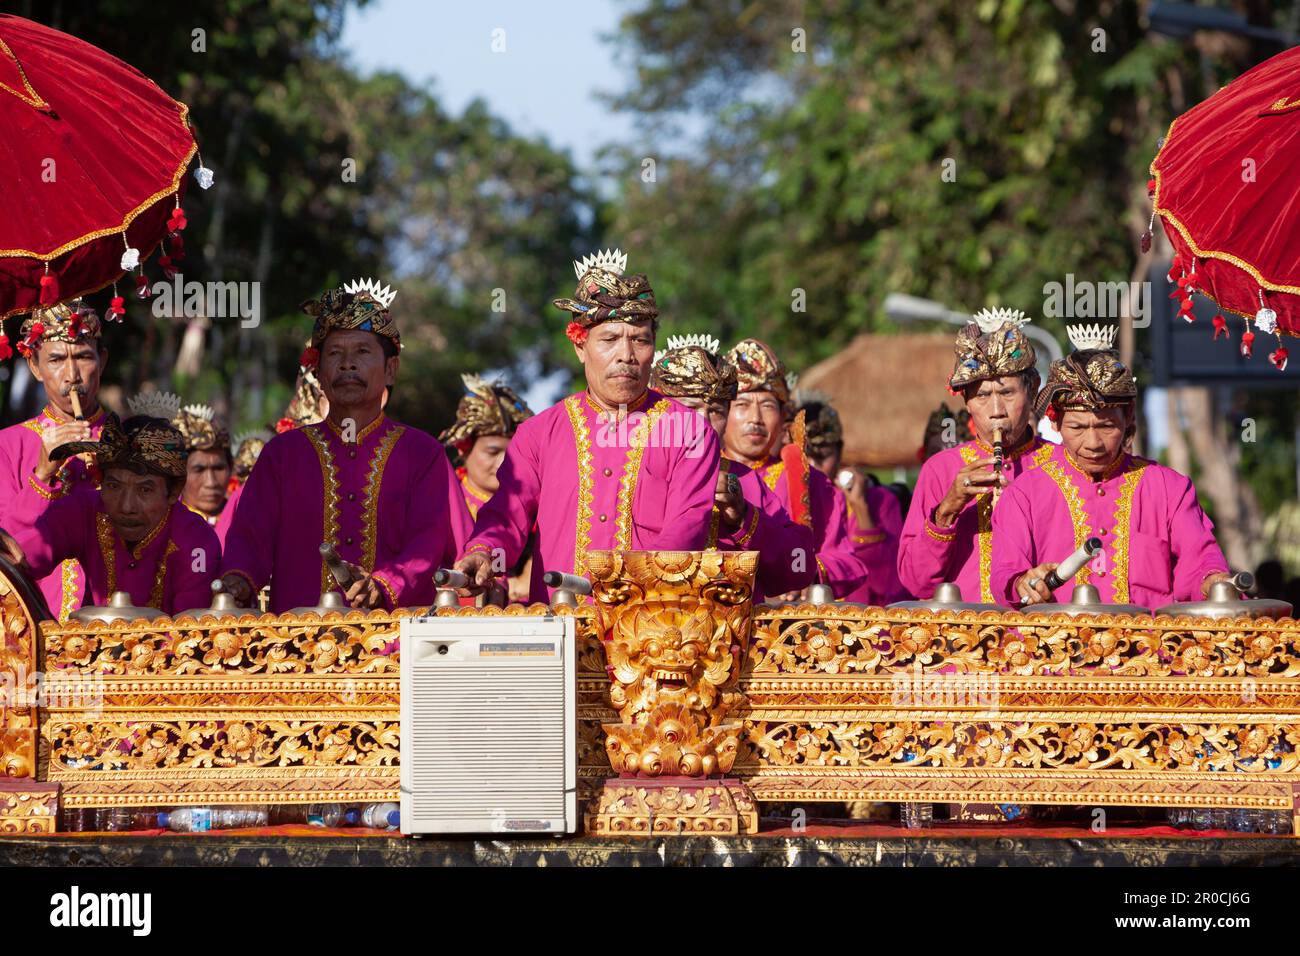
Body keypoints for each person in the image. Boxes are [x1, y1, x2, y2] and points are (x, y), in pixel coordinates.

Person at [453, 249, 719, 599]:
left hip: (651, 630)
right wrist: (484, 551)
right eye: (609, 340)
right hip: (556, 629)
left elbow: (687, 526)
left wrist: (630, 586)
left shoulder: (689, 431)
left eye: (640, 339)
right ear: (580, 346)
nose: (626, 354)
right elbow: (508, 512)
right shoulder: (539, 433)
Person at [219, 278, 472, 612]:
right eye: (335, 353)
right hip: (297, 646)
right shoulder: (283, 454)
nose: (347, 363)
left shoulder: (423, 454)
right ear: (319, 372)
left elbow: (427, 541)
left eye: (362, 352)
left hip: (394, 643)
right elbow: (249, 537)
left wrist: (386, 584)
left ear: (391, 370)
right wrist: (239, 578)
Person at [991, 324, 1230, 607]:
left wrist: (1213, 582)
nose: (1093, 442)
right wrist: (1024, 582)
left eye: (1106, 426)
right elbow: (1006, 574)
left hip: (1148, 647)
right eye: (1077, 427)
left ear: (1128, 416)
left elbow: (1200, 558)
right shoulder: (1025, 494)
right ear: (1054, 421)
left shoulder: (1169, 488)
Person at [1, 394, 220, 616]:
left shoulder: (196, 539)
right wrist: (42, 475)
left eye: (145, 490)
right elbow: (22, 557)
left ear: (174, 491)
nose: (126, 506)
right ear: (100, 481)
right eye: (114, 486)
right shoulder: (83, 511)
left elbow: (190, 632)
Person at [897, 308, 1052, 603]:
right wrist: (948, 508)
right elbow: (915, 583)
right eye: (982, 396)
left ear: (1031, 391)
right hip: (963, 639)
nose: (996, 410)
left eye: (1007, 393)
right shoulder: (940, 469)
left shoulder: (1060, 466)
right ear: (967, 402)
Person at [651, 333, 814, 600]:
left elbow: (799, 566)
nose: (703, 424)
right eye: (690, 409)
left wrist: (742, 516)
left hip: (731, 636)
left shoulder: (744, 480)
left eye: (715, 411)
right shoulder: (631, 471)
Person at [723, 339, 868, 598]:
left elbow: (850, 564)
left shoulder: (813, 482)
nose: (755, 419)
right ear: (723, 411)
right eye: (742, 405)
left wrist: (807, 574)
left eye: (767, 406)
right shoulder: (701, 473)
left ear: (784, 416)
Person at [0, 303, 109, 619]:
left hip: (122, 631)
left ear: (102, 360)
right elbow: (7, 553)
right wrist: (43, 473)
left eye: (84, 357)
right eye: (57, 360)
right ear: (35, 367)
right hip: (37, 630)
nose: (72, 375)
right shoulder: (8, 446)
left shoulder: (131, 439)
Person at [797, 393, 907, 605]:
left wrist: (861, 507)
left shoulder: (881, 500)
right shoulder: (786, 499)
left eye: (822, 457)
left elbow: (889, 581)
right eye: (805, 457)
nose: (812, 466)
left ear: (839, 451)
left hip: (867, 624)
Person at [439, 374, 535, 602]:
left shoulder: (535, 508)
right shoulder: (441, 504)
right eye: (492, 452)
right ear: (464, 449)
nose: (504, 463)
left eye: (512, 454)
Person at [172, 402, 233, 526]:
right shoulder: (163, 525)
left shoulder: (245, 521)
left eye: (218, 468)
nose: (211, 483)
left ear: (230, 468)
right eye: (199, 470)